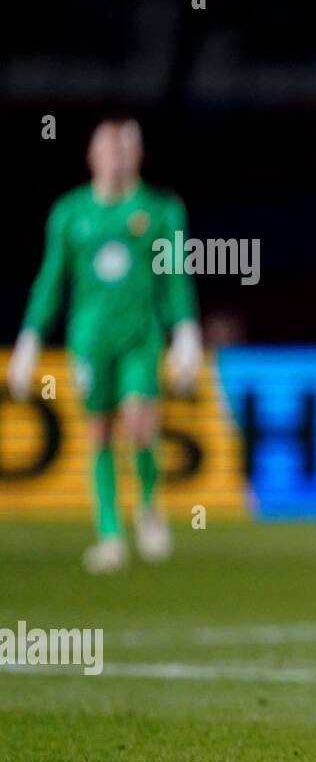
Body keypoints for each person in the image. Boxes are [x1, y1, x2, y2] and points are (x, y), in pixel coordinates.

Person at [9, 117, 201, 573]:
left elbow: (175, 276)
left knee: (139, 422)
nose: (114, 159)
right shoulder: (70, 213)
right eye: (107, 150)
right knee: (98, 430)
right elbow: (51, 281)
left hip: (140, 336)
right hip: (89, 340)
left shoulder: (159, 211)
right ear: (92, 156)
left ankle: (149, 507)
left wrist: (187, 330)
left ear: (135, 156)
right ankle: (110, 535)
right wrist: (30, 339)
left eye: (122, 150)